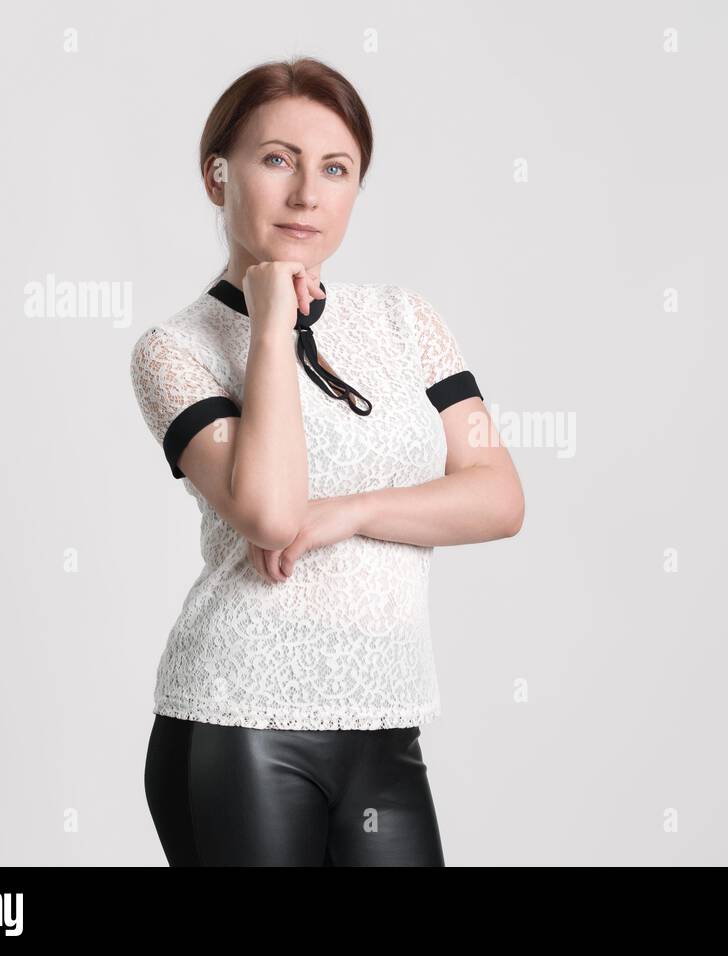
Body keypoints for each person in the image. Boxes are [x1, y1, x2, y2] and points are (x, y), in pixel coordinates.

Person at [128, 57, 524, 866]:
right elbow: (270, 514)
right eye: (277, 159)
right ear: (217, 176)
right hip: (242, 723)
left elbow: (498, 497)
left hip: (385, 723)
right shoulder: (173, 351)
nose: (308, 193)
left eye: (336, 169)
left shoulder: (407, 321)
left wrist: (353, 511)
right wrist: (271, 325)